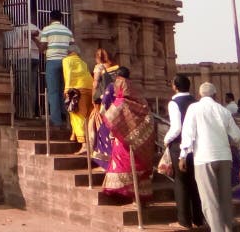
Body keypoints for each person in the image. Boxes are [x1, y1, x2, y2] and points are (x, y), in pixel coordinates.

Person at [179, 82, 240, 232]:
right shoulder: (223, 110)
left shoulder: (194, 108)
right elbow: (237, 136)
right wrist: (235, 146)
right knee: (225, 198)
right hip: (224, 157)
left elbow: (188, 133)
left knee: (209, 200)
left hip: (204, 158)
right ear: (215, 95)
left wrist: (183, 155)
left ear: (199, 95)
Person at [102, 67, 155, 201]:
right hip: (140, 143)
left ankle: (130, 195)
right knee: (137, 165)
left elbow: (107, 117)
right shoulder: (140, 101)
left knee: (126, 164)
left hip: (123, 142)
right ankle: (139, 197)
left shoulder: (121, 103)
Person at [163, 74, 204, 230]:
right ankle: (198, 219)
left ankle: (184, 220)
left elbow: (176, 127)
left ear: (175, 86)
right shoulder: (196, 102)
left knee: (181, 182)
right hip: (197, 145)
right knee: (194, 182)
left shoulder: (174, 103)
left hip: (180, 145)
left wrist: (166, 139)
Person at [33, 9, 73, 127]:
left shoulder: (47, 30)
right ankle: (66, 117)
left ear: (50, 18)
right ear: (61, 19)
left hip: (52, 61)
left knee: (53, 91)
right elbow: (72, 47)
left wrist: (33, 39)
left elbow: (42, 48)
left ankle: (56, 120)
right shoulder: (67, 31)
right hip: (66, 62)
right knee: (65, 90)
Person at [62, 44, 93, 154]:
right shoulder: (83, 62)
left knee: (77, 115)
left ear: (68, 52)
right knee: (88, 116)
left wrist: (67, 90)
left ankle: (84, 145)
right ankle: (90, 143)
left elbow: (69, 74)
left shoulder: (67, 60)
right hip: (90, 88)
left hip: (77, 90)